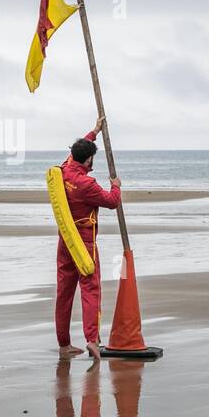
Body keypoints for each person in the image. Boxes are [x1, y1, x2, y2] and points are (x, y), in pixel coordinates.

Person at [56, 116, 121, 360]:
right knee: (90, 289)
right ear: (90, 159)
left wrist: (94, 131)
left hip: (65, 241)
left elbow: (79, 148)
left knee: (64, 291)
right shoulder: (86, 184)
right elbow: (112, 202)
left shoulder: (63, 170)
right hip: (84, 242)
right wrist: (116, 185)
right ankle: (91, 340)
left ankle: (64, 344)